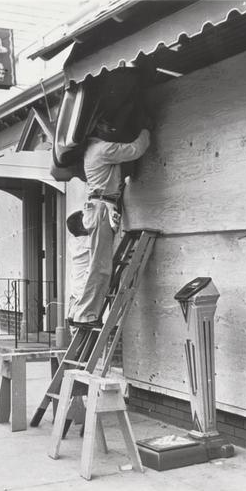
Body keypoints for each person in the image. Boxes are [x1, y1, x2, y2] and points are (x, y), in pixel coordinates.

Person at [68, 106, 152, 327]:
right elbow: (135, 150)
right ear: (97, 127)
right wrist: (145, 129)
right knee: (101, 266)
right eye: (105, 124)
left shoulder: (92, 149)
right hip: (102, 210)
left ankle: (80, 311)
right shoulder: (103, 149)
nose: (110, 128)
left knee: (97, 264)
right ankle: (86, 315)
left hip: (99, 208)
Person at [65, 210, 90, 330]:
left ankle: (72, 318)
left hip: (76, 283)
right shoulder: (88, 241)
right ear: (81, 227)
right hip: (83, 285)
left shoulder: (73, 241)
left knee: (75, 300)